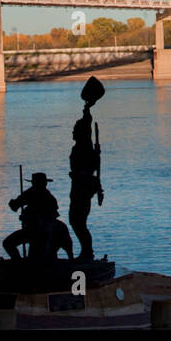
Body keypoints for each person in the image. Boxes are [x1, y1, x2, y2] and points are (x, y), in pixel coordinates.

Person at [68, 77, 105, 261]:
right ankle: (86, 252)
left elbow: (86, 123)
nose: (72, 132)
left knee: (77, 221)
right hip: (79, 185)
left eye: (75, 129)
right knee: (77, 221)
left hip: (82, 186)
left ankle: (87, 253)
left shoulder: (83, 145)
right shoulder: (82, 146)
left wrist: (87, 108)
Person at [3, 172, 70, 262]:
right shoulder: (45, 195)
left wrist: (25, 215)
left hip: (38, 231)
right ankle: (19, 263)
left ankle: (18, 263)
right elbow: (16, 205)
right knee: (9, 243)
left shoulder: (32, 193)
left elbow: (15, 205)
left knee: (9, 244)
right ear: (45, 183)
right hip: (36, 230)